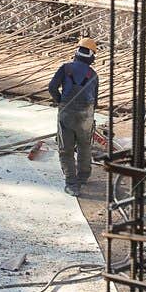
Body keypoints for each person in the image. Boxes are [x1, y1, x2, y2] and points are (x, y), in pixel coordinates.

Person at [48, 36, 99, 194]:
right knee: (85, 145)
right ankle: (83, 176)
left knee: (66, 149)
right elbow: (95, 100)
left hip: (67, 113)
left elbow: (52, 87)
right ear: (91, 56)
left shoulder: (65, 68)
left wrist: (61, 101)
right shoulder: (93, 75)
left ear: (76, 52)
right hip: (86, 114)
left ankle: (71, 183)